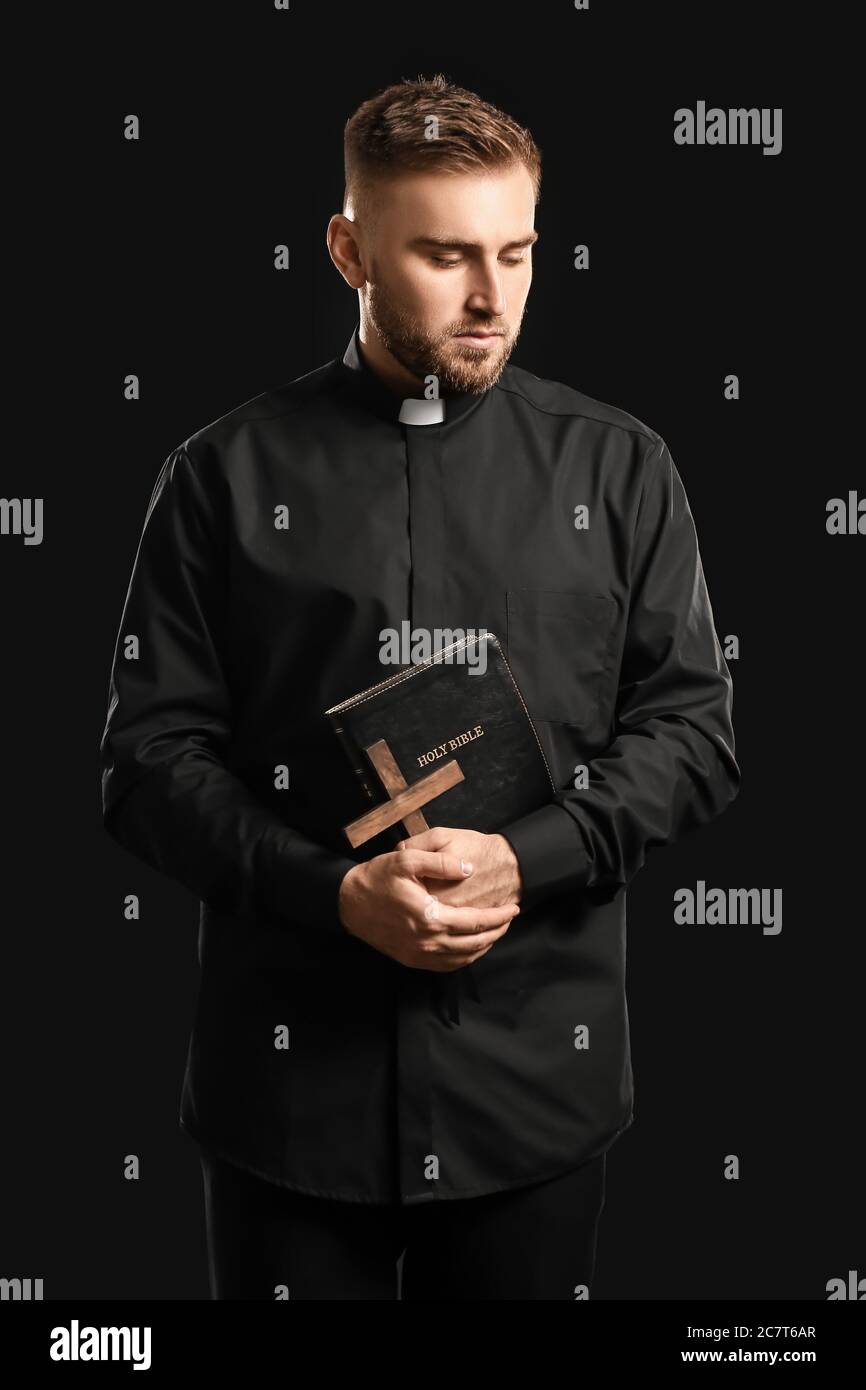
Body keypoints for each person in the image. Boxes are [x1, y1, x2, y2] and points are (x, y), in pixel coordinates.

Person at [99, 74, 740, 1300]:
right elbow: (145, 763)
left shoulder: (623, 470)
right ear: (348, 248)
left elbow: (696, 735)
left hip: (534, 1105)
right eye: (445, 256)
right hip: (288, 1109)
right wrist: (334, 893)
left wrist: (531, 855)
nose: (492, 299)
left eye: (516, 251)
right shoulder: (217, 478)